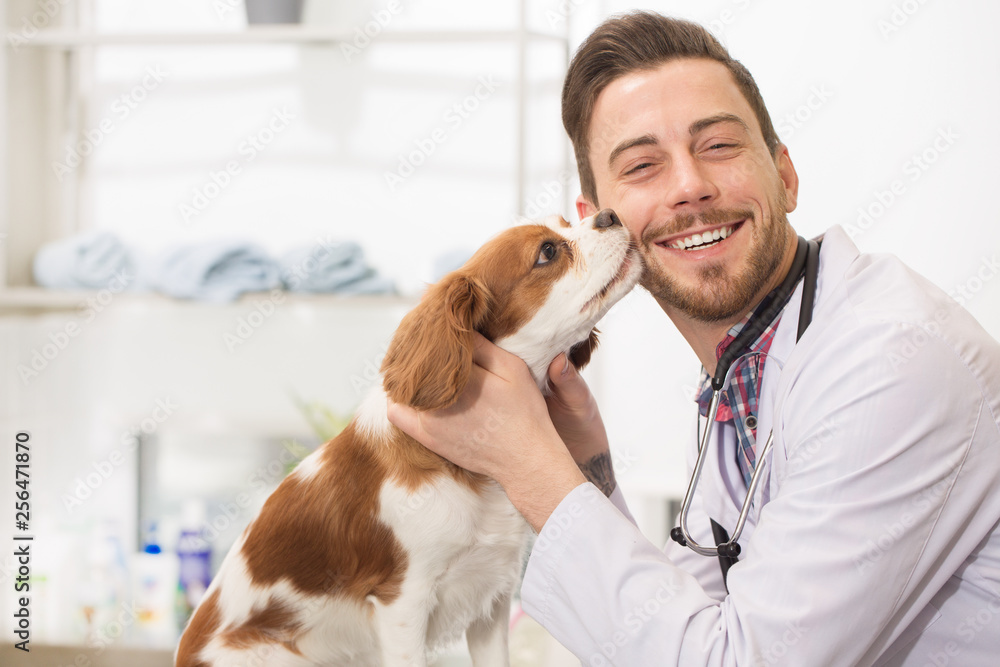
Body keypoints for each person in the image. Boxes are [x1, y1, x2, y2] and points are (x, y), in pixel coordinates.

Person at [388, 11, 1000, 666]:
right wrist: (584, 470)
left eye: (718, 146)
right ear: (598, 229)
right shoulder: (742, 377)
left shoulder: (891, 361)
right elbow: (685, 623)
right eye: (644, 164)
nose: (689, 187)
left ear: (785, 175)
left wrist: (526, 462)